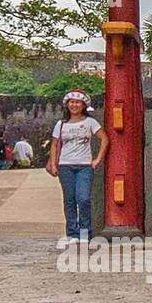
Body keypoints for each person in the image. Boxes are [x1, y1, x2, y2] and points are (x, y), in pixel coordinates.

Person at [46, 90, 108, 241]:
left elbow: (104, 139)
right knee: (69, 200)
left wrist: (98, 159)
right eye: (71, 102)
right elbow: (54, 145)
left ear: (83, 105)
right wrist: (54, 164)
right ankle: (73, 233)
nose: (74, 105)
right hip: (65, 165)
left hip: (84, 166)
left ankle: (85, 232)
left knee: (84, 198)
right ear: (67, 105)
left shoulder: (90, 122)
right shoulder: (61, 124)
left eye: (77, 102)